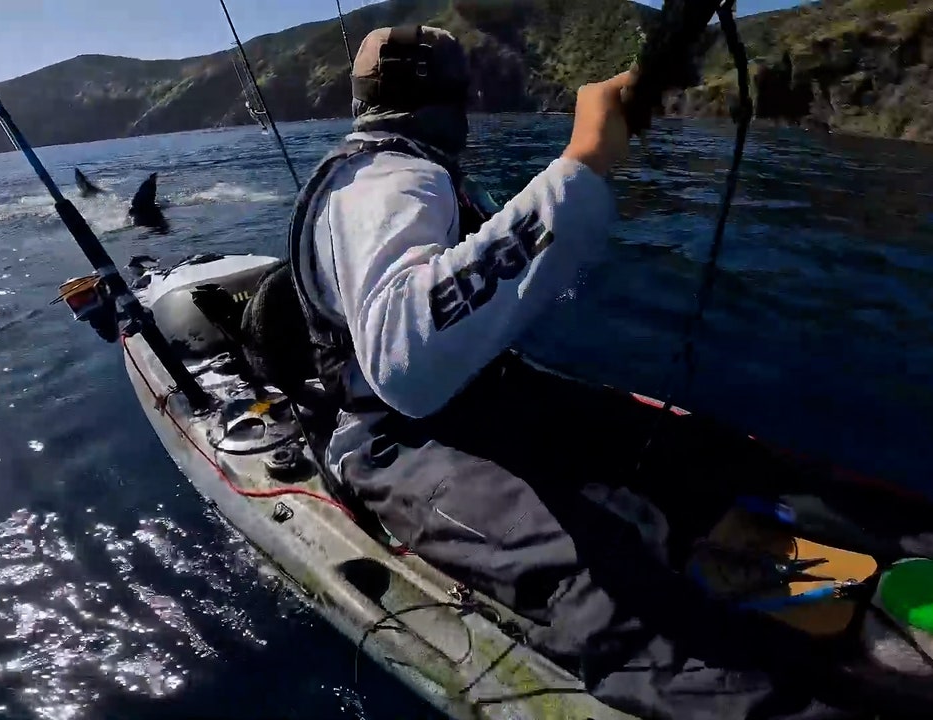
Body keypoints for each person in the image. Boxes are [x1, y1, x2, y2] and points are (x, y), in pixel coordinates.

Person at [243, 25, 857, 720]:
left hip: (488, 400)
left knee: (682, 452)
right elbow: (404, 366)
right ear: (455, 99)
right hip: (393, 442)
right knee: (599, 582)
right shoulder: (386, 183)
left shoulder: (411, 175)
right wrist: (583, 163)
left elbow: (495, 301)